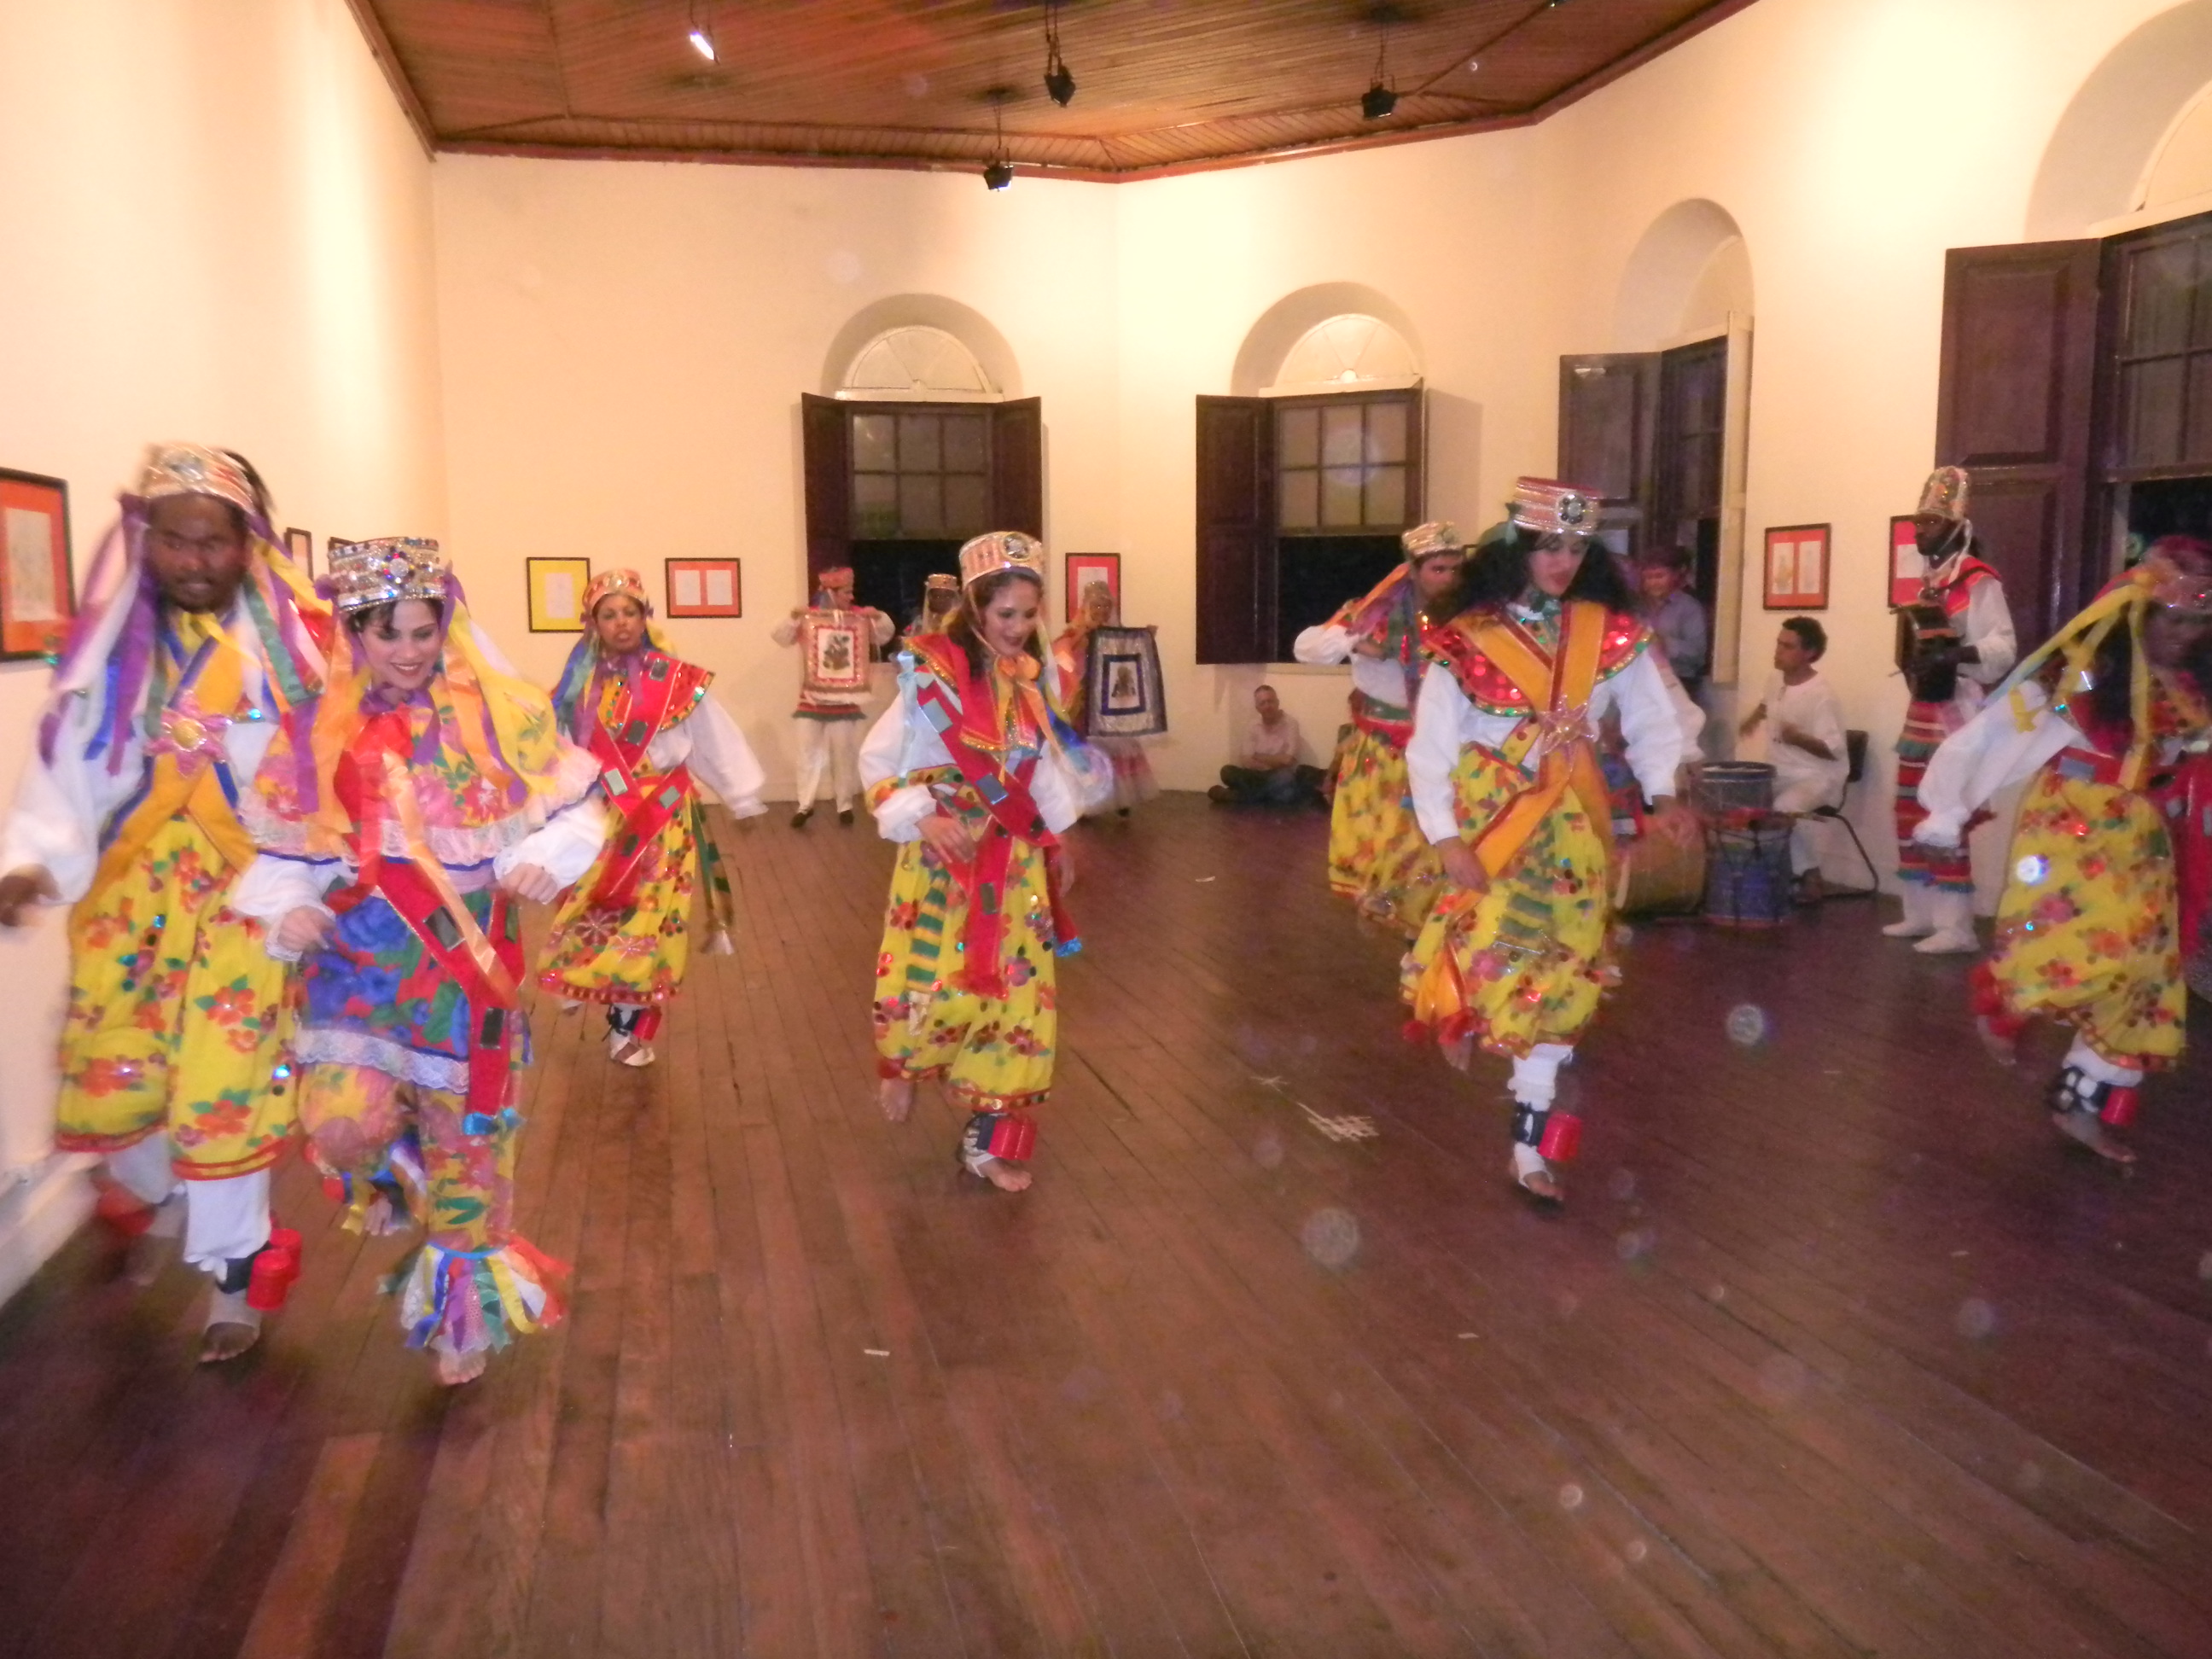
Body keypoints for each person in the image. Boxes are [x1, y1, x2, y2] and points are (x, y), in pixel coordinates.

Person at [234, 538, 606, 1383]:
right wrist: (286, 905)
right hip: (353, 969)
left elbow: (579, 808)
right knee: (340, 1124)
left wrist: (547, 855)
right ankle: (396, 1167)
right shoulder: (312, 731)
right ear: (354, 634)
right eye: (387, 633)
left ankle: (461, 1318)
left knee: (469, 1142)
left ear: (447, 628)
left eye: (422, 631)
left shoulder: (502, 717)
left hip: (462, 971)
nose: (407, 650)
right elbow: (281, 849)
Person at [0, 443, 326, 1362]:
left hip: (246, 901)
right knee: (117, 1075)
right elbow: (69, 773)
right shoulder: (114, 655)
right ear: (146, 541)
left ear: (248, 543)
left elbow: (327, 779)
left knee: (227, 1086)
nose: (194, 559)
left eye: (213, 541)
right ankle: (148, 1191)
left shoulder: (291, 657)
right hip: (130, 903)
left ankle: (234, 1276)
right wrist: (30, 863)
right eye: (175, 540)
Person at [1401, 479, 1696, 1206]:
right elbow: (1430, 744)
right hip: (1494, 821)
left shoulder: (1609, 634)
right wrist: (1444, 837)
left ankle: (1528, 1147)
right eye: (1549, 547)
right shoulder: (1470, 637)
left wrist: (1663, 796)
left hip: (1576, 823)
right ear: (1518, 549)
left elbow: (1653, 719)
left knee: (1566, 971)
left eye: (1576, 547)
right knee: (1495, 949)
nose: (1564, 562)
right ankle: (1461, 1008)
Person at [1914, 537, 2212, 1168]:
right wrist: (1947, 810)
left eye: (2197, 623)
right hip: (2074, 824)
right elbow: (1994, 732)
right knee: (2088, 947)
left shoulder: (2190, 688)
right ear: (2138, 614)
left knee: (2149, 976)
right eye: (2175, 619)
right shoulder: (2084, 673)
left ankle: (2080, 1101)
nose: (2186, 634)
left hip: (2144, 836)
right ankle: (2008, 997)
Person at [863, 531, 1103, 1193]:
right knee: (933, 982)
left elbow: (1040, 767)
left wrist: (1057, 837)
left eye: (1027, 614)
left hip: (1014, 859)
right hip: (945, 858)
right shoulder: (929, 675)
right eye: (1004, 614)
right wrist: (924, 816)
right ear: (975, 608)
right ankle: (905, 1067)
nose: (1017, 628)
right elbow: (878, 764)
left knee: (1018, 993)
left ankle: (990, 1138)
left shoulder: (1029, 681)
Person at [538, 568, 765, 1068]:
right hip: (601, 816)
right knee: (593, 904)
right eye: (609, 614)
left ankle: (628, 1026)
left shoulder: (676, 681)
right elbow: (560, 751)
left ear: (646, 617)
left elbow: (712, 739)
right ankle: (576, 972)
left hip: (663, 820)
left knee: (650, 921)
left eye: (630, 612)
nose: (621, 622)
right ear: (592, 623)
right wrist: (546, 807)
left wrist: (742, 796)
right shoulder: (579, 686)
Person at [1293, 523, 1463, 934]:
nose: (1449, 578)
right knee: (1389, 846)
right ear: (1413, 569)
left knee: (1431, 848)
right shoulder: (1373, 613)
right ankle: (1410, 932)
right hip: (1383, 751)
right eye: (1438, 569)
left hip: (1444, 747)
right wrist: (1352, 641)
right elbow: (1305, 647)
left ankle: (1425, 935)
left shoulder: (1466, 615)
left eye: (1456, 569)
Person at [1888, 466, 2016, 952]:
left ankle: (1956, 926)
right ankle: (1919, 913)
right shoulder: (1929, 581)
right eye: (1918, 523)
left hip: (1956, 711)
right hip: (1922, 709)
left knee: (1945, 810)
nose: (1920, 531)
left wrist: (1956, 655)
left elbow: (2003, 647)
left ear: (1956, 528)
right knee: (1908, 808)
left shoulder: (1978, 580)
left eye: (1931, 523)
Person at [772, 566, 894, 829]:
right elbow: (780, 637)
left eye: (851, 592)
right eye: (846, 592)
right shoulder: (810, 617)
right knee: (807, 754)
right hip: (812, 699)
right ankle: (804, 805)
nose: (851, 597)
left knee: (843, 755)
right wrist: (793, 617)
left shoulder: (859, 618)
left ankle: (845, 805)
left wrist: (878, 616)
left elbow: (885, 635)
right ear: (831, 592)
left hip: (845, 700)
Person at [1738, 616, 1848, 902]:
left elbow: (1833, 750)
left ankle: (1811, 876)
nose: (1778, 651)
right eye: (1778, 644)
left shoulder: (1821, 695)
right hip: (1779, 771)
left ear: (1809, 653)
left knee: (1786, 807)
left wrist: (1798, 738)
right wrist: (1752, 719)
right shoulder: (1775, 679)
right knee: (1739, 798)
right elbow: (1768, 703)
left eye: (1787, 646)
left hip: (1817, 776)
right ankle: (1751, 875)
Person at [1052, 580, 1161, 818]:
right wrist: (1083, 640)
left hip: (1110, 704)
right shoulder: (1075, 634)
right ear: (1086, 606)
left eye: (1105, 606)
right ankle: (1087, 804)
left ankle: (1122, 799)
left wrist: (1146, 637)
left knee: (1116, 750)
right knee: (1087, 752)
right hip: (1085, 703)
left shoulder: (1116, 635)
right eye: (1096, 605)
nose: (1101, 610)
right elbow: (1060, 655)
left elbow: (1130, 658)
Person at [1210, 684, 1324, 806]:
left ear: (1277, 703)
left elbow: (1288, 760)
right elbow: (1246, 760)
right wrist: (1268, 765)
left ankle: (1237, 796)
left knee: (1286, 778)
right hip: (1256, 775)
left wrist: (1258, 756)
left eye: (1270, 701)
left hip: (1279, 775)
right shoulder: (1252, 726)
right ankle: (1259, 797)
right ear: (1257, 708)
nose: (1267, 706)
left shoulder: (1291, 724)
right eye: (1262, 703)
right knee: (1227, 771)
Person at [1637, 545, 1710, 698]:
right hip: (1642, 680)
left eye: (1659, 576)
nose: (1653, 583)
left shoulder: (1689, 607)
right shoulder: (1638, 606)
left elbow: (1697, 654)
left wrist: (1665, 643)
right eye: (1648, 578)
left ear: (1675, 575)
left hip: (1679, 681)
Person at [909, 571, 959, 637]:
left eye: (947, 596)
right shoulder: (919, 623)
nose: (942, 600)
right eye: (937, 596)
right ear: (929, 598)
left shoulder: (959, 622)